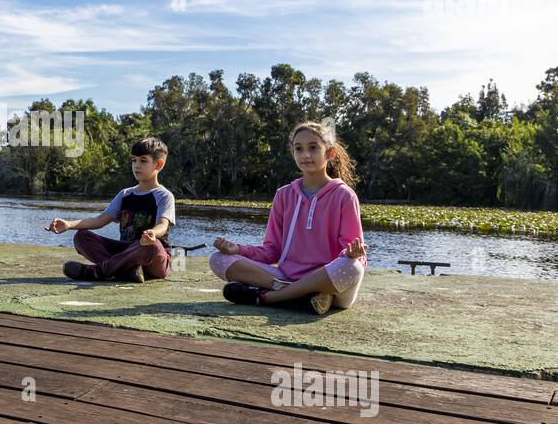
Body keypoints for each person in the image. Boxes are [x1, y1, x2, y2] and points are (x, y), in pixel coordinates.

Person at [209, 121, 366, 314]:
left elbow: (356, 255)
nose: (305, 155)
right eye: (299, 149)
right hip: (285, 277)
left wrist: (350, 255)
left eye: (313, 148)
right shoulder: (283, 195)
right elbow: (271, 251)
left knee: (353, 267)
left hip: (329, 283)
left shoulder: (344, 196)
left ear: (330, 153)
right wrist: (238, 249)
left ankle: (268, 298)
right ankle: (302, 298)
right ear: (293, 154)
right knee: (218, 259)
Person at [45, 137, 175, 283]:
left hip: (152, 258)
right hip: (125, 252)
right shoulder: (125, 194)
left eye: (143, 161)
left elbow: (163, 225)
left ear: (159, 164)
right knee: (81, 237)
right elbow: (100, 220)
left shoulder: (164, 195)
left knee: (153, 246)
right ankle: (127, 271)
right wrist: (69, 225)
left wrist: (153, 233)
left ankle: (97, 271)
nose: (136, 165)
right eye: (134, 160)